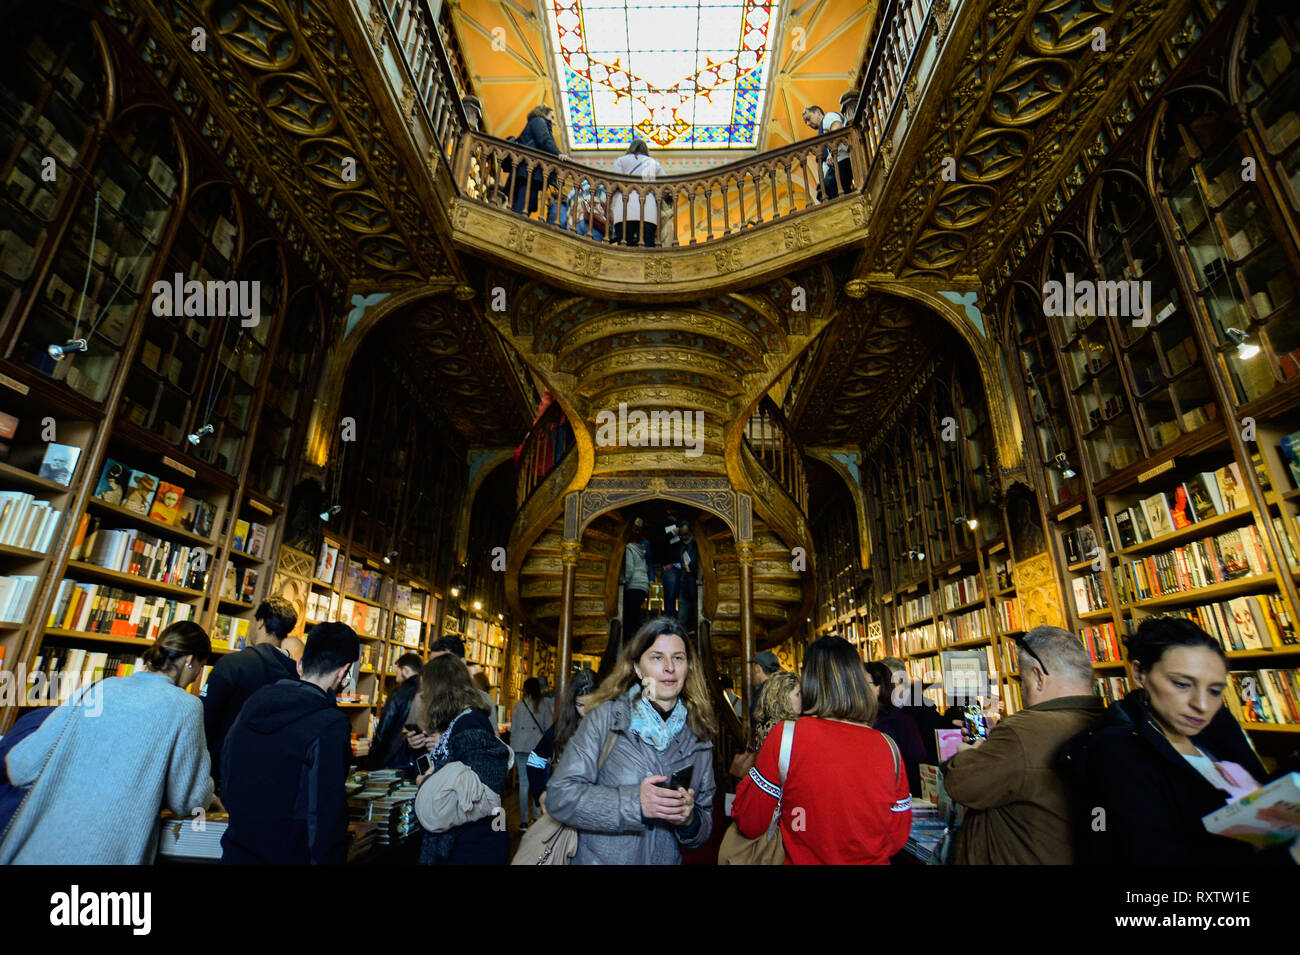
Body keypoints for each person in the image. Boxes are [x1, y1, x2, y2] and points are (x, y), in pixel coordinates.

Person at [1062, 617, 1300, 865]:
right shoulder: (1118, 750)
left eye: (1213, 689)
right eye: (1182, 684)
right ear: (1139, 672)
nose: (1202, 704)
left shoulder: (1216, 725)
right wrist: (1288, 856)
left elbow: (1260, 793)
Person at [0, 622, 214, 864]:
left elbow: (21, 768)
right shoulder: (185, 707)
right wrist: (210, 794)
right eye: (200, 667)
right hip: (102, 857)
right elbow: (188, 799)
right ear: (189, 660)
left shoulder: (99, 688)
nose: (197, 676)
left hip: (35, 850)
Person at [546, 616, 716, 864]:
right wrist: (635, 803)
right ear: (638, 668)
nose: (669, 667)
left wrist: (689, 820)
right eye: (657, 657)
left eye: (678, 658)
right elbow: (560, 796)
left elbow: (704, 824)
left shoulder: (699, 734)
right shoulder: (605, 720)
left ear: (688, 666)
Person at [732, 635, 911, 865]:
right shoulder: (889, 748)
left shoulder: (786, 737)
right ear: (857, 681)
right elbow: (897, 836)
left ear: (808, 680)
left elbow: (750, 821)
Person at [940, 627, 1106, 864]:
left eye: (1022, 680)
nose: (1023, 688)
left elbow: (961, 784)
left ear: (1038, 676)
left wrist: (969, 754)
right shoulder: (1107, 722)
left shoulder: (1022, 730)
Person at [219, 622, 360, 865]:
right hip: (291, 856)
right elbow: (325, 814)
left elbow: (227, 764)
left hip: (237, 850)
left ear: (300, 664)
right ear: (343, 671)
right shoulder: (330, 724)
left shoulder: (253, 703)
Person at [412, 654, 511, 864]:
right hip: (467, 841)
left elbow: (485, 792)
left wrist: (429, 781)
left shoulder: (470, 724)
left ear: (437, 691)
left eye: (424, 691)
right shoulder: (461, 721)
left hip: (472, 845)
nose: (421, 697)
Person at [201, 596, 300, 789]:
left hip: (223, 772)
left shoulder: (232, 664)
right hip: (272, 775)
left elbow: (204, 720)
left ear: (261, 622)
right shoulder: (297, 674)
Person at [526, 667, 598, 809]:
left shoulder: (610, 726)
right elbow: (534, 761)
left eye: (592, 704)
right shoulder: (562, 727)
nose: (586, 712)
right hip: (567, 805)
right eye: (580, 705)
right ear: (572, 703)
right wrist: (541, 794)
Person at [865, 660, 928, 795]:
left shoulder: (903, 723)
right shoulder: (859, 721)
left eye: (863, 684)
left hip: (897, 796)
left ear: (880, 686)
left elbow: (916, 768)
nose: (857, 689)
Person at [731, 668, 800, 779]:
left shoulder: (762, 723)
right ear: (783, 697)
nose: (802, 698)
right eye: (798, 694)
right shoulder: (784, 729)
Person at [510, 677, 554, 829]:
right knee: (538, 782)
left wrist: (513, 746)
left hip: (520, 747)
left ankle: (523, 821)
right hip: (538, 750)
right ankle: (536, 817)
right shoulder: (543, 705)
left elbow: (514, 729)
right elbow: (549, 728)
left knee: (524, 784)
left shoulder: (518, 706)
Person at [511, 104, 567, 224]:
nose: (553, 122)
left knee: (528, 202)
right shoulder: (538, 120)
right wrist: (559, 154)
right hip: (529, 171)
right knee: (524, 202)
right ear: (544, 113)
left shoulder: (538, 122)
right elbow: (544, 140)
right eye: (551, 117)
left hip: (531, 171)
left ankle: (519, 223)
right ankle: (516, 224)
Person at [370, 652, 423, 769]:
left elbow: (384, 730)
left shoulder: (398, 694)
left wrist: (373, 762)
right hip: (419, 761)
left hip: (395, 757)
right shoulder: (429, 692)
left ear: (406, 670)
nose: (396, 674)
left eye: (397, 669)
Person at [609, 139, 666, 247]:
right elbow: (666, 187)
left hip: (624, 207)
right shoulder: (653, 163)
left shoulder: (621, 160)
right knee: (646, 246)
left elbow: (616, 183)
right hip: (648, 207)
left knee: (625, 245)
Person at [801, 104, 852, 200]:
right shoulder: (821, 131)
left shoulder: (828, 117)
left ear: (818, 112)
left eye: (808, 119)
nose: (807, 123)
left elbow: (837, 128)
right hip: (835, 167)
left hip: (842, 160)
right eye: (805, 122)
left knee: (833, 187)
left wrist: (831, 152)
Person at [620, 518, 652, 640]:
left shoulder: (629, 548)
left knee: (630, 618)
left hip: (633, 585)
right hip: (643, 585)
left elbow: (629, 567)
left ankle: (632, 643)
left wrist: (626, 581)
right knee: (636, 614)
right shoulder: (642, 548)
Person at [748, 649, 782, 737]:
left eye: (753, 668)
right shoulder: (782, 689)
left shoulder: (761, 692)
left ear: (757, 668)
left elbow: (754, 722)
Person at [676, 519, 700, 635]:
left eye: (686, 534)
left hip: (696, 583)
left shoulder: (697, 545)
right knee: (682, 618)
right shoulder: (681, 546)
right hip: (685, 583)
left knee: (697, 616)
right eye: (682, 535)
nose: (684, 537)